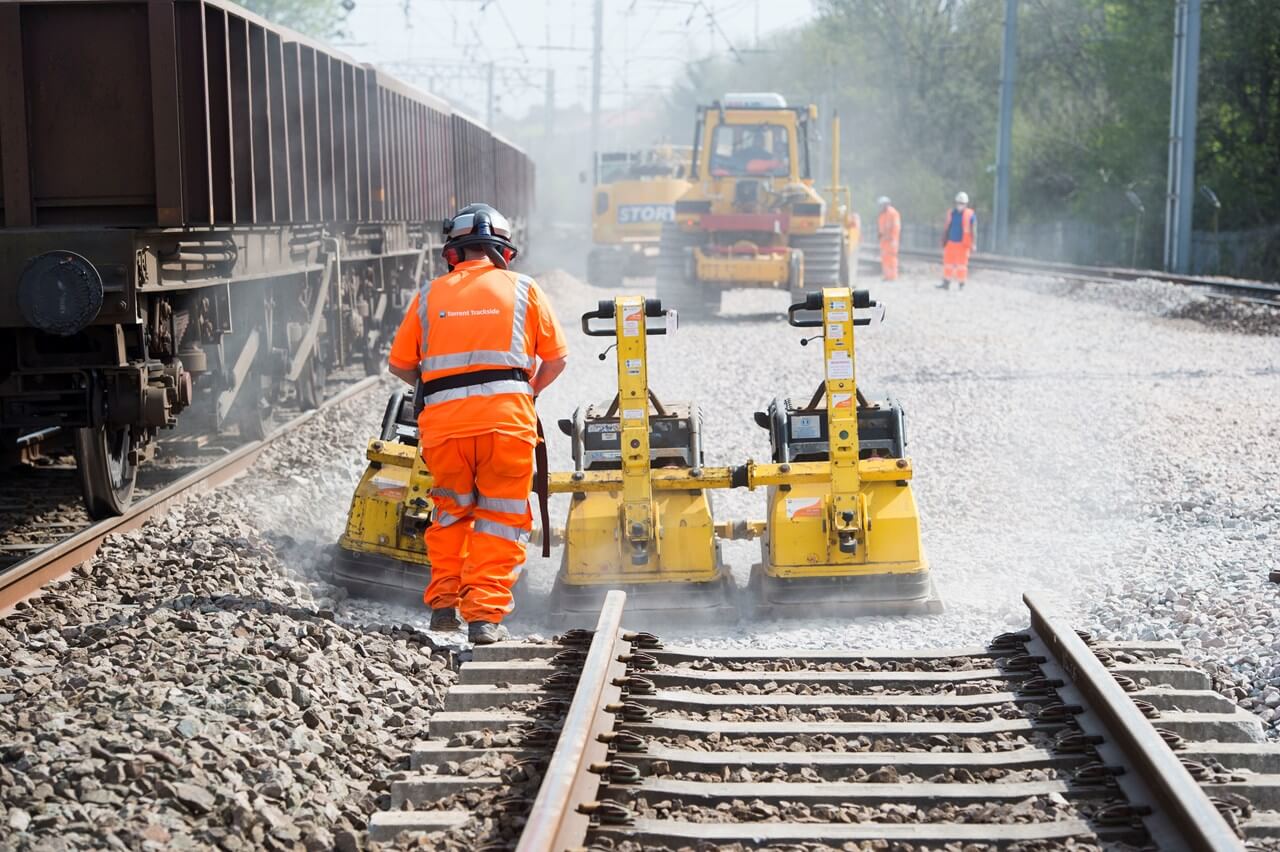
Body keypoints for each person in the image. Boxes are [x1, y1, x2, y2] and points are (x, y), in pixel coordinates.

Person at [387, 203, 569, 644]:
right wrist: (527, 391)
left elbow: (400, 366)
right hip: (507, 425)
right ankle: (484, 618)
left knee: (451, 512)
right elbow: (557, 359)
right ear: (503, 252)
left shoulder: (429, 295)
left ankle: (444, 604)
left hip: (444, 429)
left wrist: (439, 385)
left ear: (453, 253)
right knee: (501, 518)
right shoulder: (525, 290)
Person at [939, 191, 976, 290]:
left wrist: (974, 243)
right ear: (956, 203)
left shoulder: (970, 215)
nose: (960, 205)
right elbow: (946, 227)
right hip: (950, 243)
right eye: (959, 203)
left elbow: (973, 230)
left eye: (962, 203)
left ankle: (961, 284)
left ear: (966, 204)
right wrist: (943, 240)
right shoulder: (951, 213)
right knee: (948, 264)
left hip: (963, 244)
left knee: (962, 266)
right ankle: (946, 283)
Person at [876, 196, 901, 281]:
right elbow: (881, 228)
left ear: (886, 204)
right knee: (885, 259)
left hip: (891, 241)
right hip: (884, 242)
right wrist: (880, 235)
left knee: (892, 258)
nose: (880, 207)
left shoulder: (893, 213)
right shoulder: (882, 215)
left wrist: (892, 237)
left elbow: (896, 227)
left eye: (881, 205)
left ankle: (893, 276)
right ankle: (887, 276)